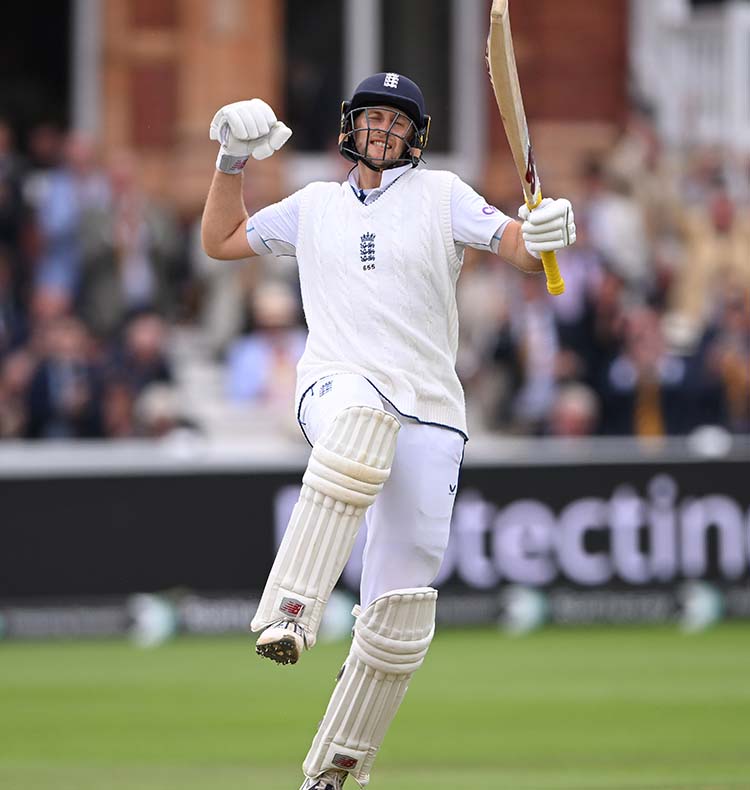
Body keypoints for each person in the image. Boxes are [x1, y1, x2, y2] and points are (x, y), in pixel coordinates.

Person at [201, 73, 576, 790]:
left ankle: (334, 771)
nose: (382, 129)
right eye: (372, 116)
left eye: (396, 121)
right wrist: (231, 161)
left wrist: (547, 231)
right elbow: (219, 240)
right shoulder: (312, 206)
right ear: (349, 125)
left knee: (397, 618)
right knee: (357, 425)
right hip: (335, 383)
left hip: (433, 411)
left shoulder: (442, 196)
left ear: (415, 136)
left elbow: (515, 247)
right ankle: (292, 609)